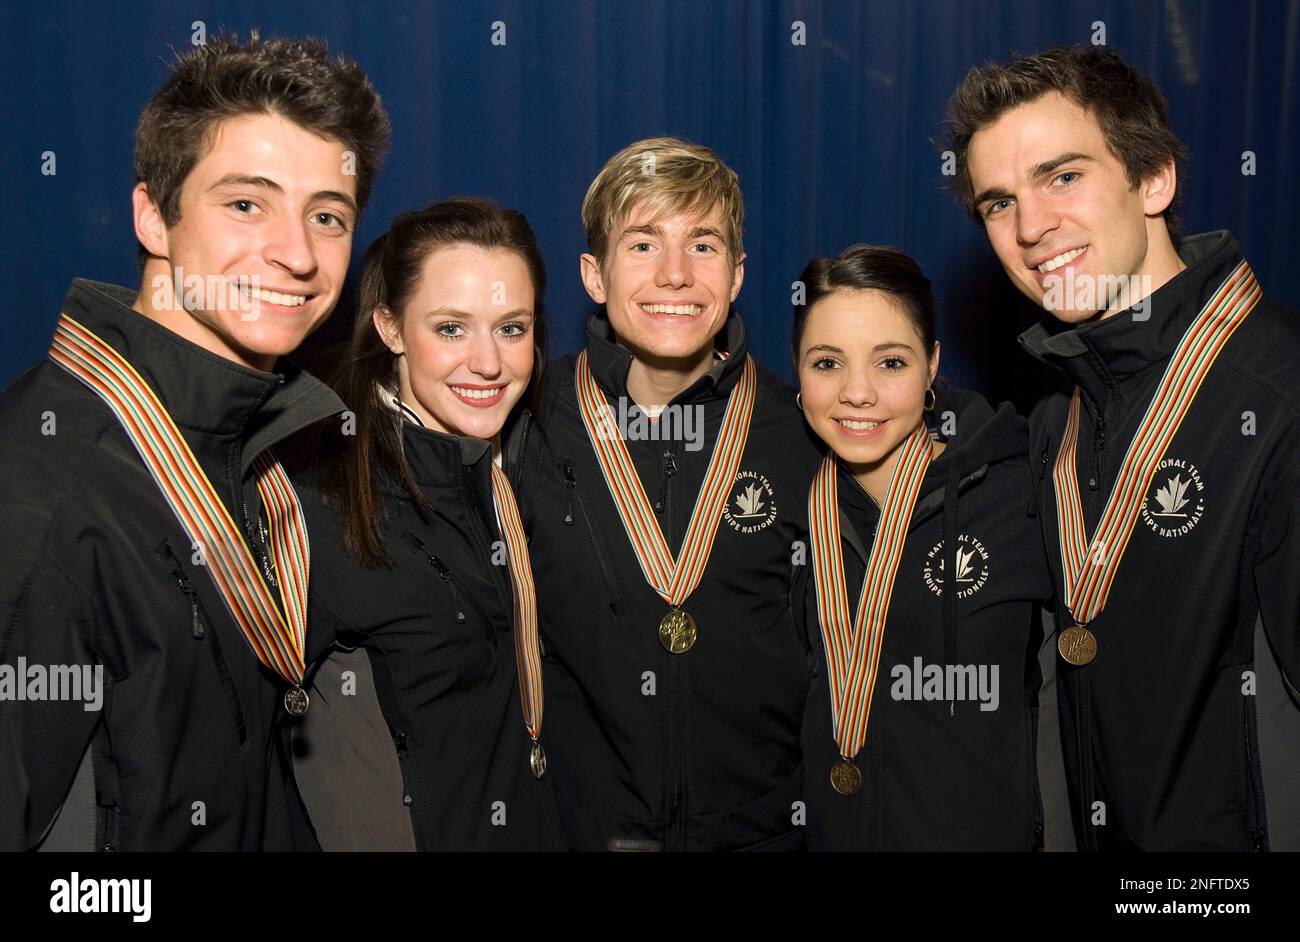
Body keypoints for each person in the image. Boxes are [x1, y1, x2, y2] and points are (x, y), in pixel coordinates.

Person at [0, 33, 390, 850]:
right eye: (247, 203)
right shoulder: (44, 485)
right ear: (153, 215)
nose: (296, 253)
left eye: (327, 216)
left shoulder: (253, 450)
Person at [946, 44, 1300, 850]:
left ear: (1154, 180)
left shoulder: (1279, 393)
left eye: (1062, 176)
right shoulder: (1060, 422)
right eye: (998, 204)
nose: (1032, 228)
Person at [511, 137, 824, 851]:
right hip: (579, 831)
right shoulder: (523, 418)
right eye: (644, 245)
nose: (676, 275)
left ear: (738, 273)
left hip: (766, 836)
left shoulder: (804, 431)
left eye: (704, 246)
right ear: (595, 274)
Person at [288, 197, 563, 851]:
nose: (489, 362)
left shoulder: (528, 468)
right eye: (450, 329)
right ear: (389, 327)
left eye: (512, 328)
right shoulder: (318, 501)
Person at [790, 244, 1052, 850]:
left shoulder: (1019, 494)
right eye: (827, 363)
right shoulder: (787, 504)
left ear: (932, 365)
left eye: (891, 362)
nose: (858, 393)